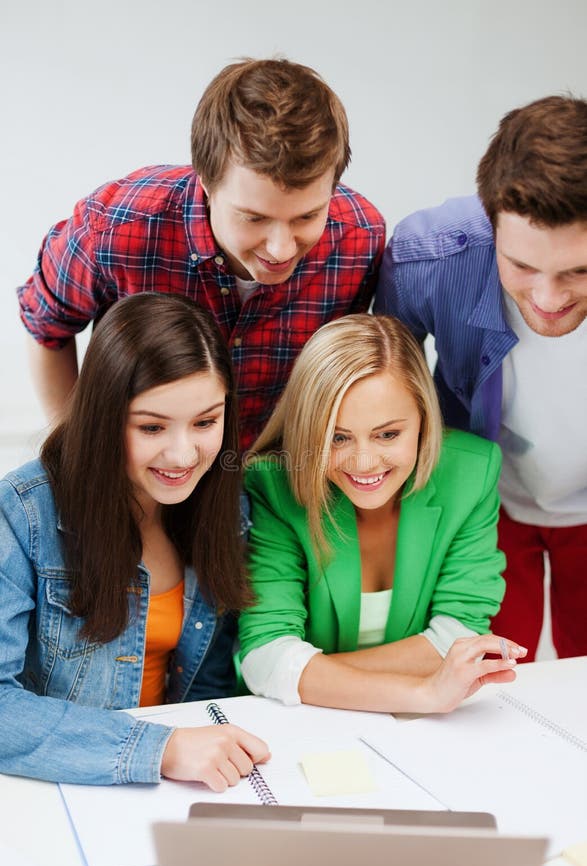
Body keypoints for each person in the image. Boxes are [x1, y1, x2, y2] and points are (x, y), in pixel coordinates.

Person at [18, 58, 385, 450]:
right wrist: (77, 450)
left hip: (270, 469)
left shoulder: (359, 240)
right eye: (254, 218)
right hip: (140, 463)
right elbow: (47, 329)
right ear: (206, 182)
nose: (281, 248)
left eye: (308, 216)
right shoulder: (112, 229)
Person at [0, 292, 269, 786]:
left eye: (206, 422)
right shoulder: (20, 513)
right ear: (102, 419)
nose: (183, 453)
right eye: (152, 426)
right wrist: (158, 749)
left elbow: (206, 686)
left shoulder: (227, 509)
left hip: (175, 784)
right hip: (62, 784)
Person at [374, 95, 587, 661]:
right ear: (491, 225)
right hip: (482, 500)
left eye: (579, 271)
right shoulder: (428, 259)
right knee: (485, 677)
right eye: (522, 266)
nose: (548, 299)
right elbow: (381, 395)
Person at [238, 315, 526, 713]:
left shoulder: (472, 472)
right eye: (337, 437)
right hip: (305, 723)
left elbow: (459, 637)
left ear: (423, 417)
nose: (364, 462)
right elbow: (265, 655)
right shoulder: (273, 484)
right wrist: (425, 693)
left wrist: (303, 673)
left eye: (388, 434)